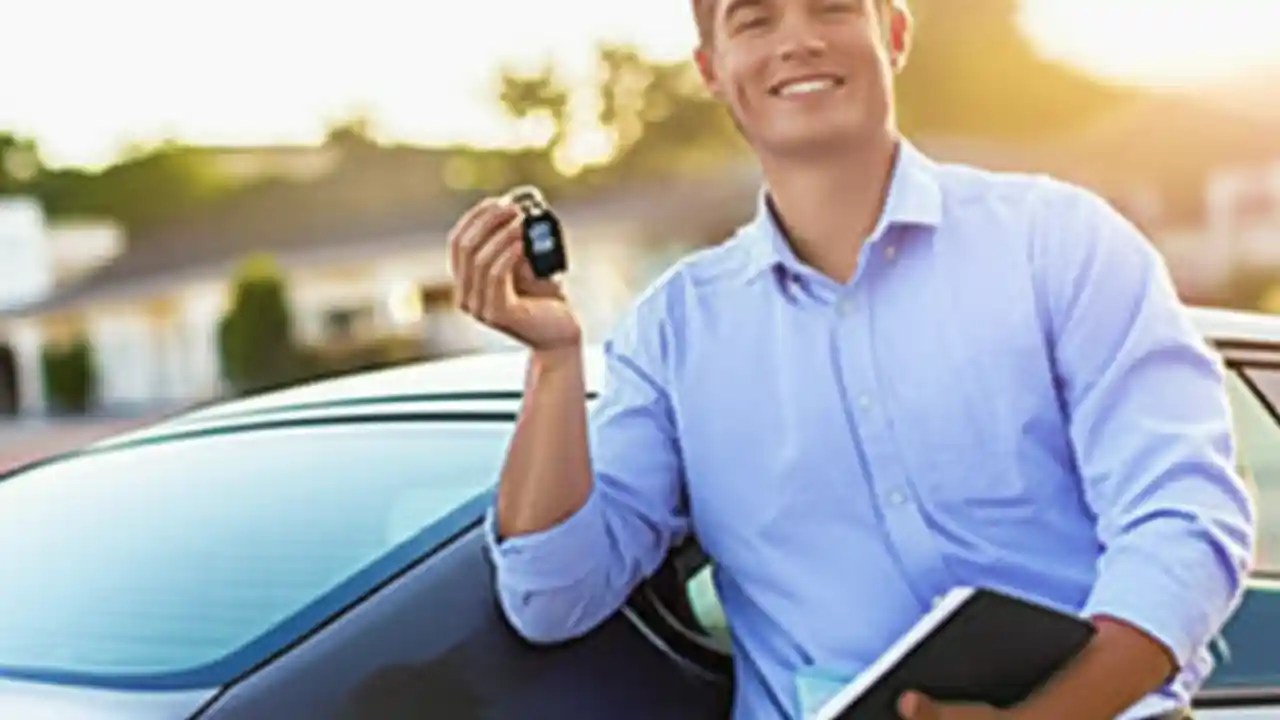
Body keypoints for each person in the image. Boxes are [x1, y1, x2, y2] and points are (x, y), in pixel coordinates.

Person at [445, 0, 1257, 718]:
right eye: (754, 19)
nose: (797, 41)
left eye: (832, 8)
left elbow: (1184, 521)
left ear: (893, 32)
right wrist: (554, 362)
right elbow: (552, 598)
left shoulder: (1062, 244)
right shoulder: (672, 333)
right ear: (713, 71)